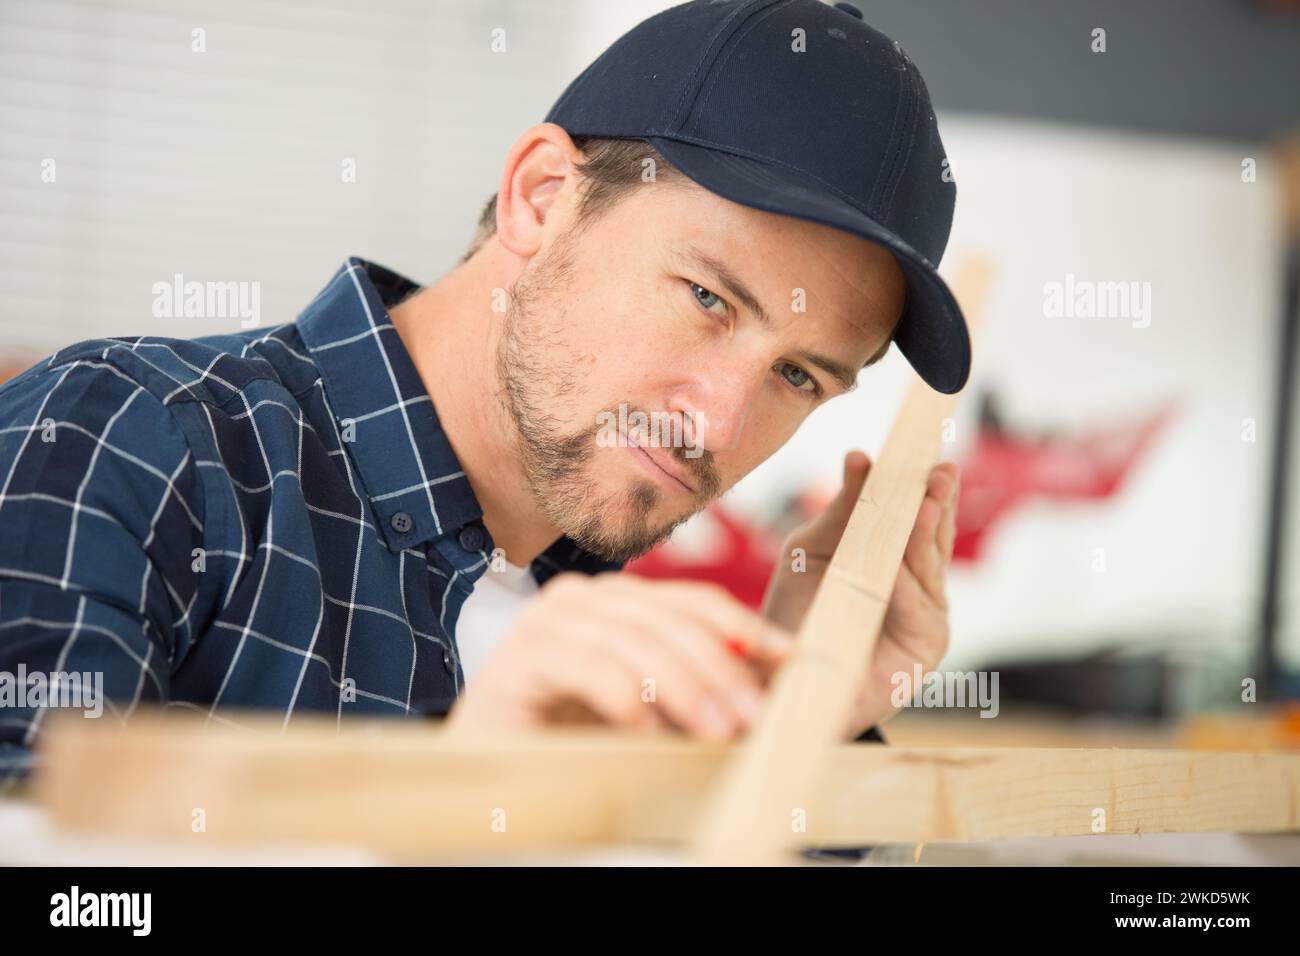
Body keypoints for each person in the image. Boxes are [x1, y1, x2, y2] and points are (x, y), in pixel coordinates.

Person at [0, 0, 966, 783]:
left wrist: (793, 722)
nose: (713, 423)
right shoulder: (123, 440)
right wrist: (437, 808)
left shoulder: (595, 609)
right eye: (708, 297)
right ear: (541, 196)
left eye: (797, 375)